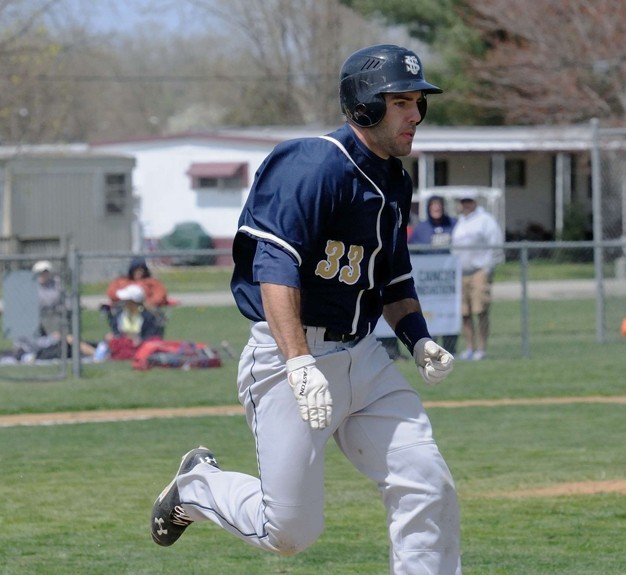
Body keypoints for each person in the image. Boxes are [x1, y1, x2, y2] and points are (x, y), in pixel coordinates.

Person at [149, 45, 461, 574]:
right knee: (290, 532)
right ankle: (196, 487)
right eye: (401, 102)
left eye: (418, 103)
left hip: (364, 357)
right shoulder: (314, 163)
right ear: (363, 106)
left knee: (427, 482)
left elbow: (393, 279)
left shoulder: (394, 179)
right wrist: (298, 362)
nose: (415, 115)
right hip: (289, 357)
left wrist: (418, 338)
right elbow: (275, 267)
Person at [451, 190, 503, 360]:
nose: (465, 204)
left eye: (469, 201)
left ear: (475, 202)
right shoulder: (460, 222)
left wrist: (487, 269)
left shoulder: (485, 220)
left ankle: (482, 349)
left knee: (480, 311)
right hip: (462, 273)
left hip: (479, 271)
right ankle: (469, 348)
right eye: (463, 201)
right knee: (465, 312)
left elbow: (496, 244)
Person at [409, 195, 459, 351]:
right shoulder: (421, 228)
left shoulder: (454, 224)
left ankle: (451, 347)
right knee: (431, 314)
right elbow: (412, 250)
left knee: (450, 313)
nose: (436, 208)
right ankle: (432, 347)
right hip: (430, 282)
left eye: (439, 205)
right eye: (433, 205)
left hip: (450, 281)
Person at [105, 284, 163, 360]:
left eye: (126, 300)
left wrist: (140, 340)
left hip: (139, 346)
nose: (124, 302)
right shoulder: (120, 314)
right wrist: (112, 336)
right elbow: (116, 332)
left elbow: (151, 335)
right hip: (123, 342)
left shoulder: (148, 316)